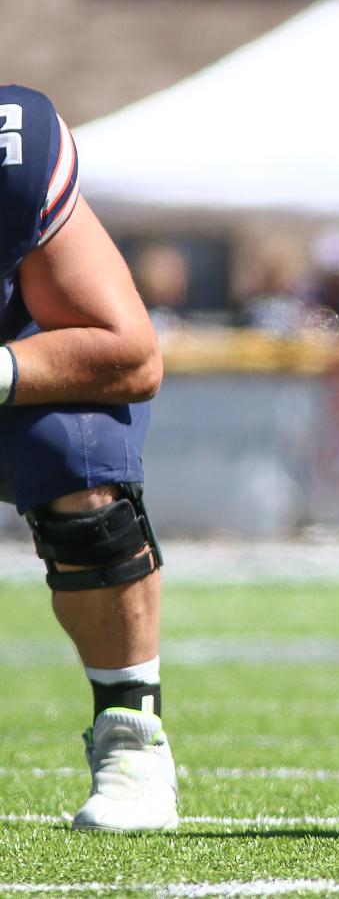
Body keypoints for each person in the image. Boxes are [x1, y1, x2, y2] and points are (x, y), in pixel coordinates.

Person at [0, 87, 174, 830]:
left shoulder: (13, 157)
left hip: (15, 389)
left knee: (77, 451)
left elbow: (126, 352)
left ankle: (130, 736)